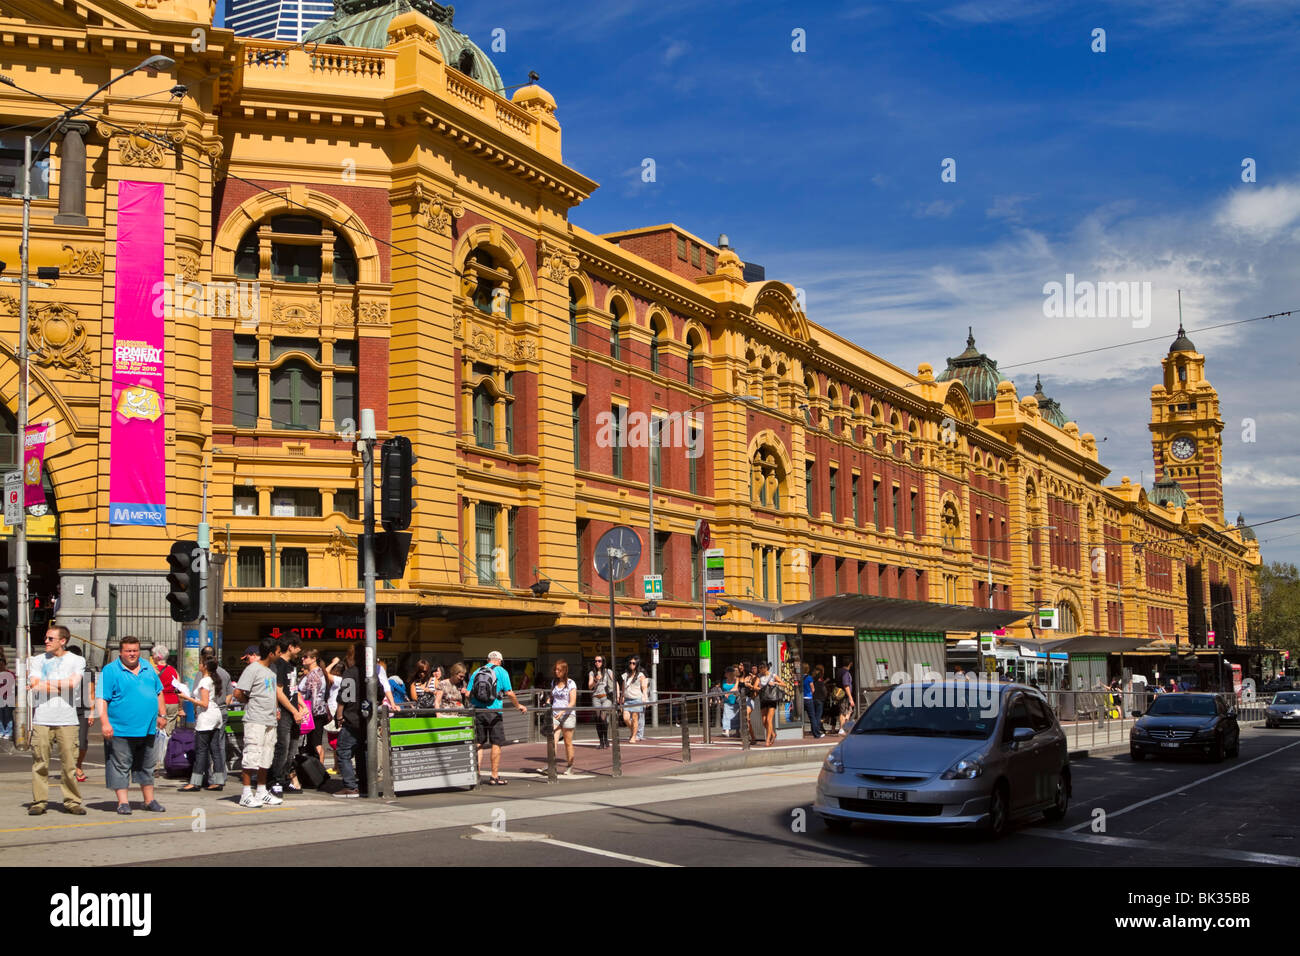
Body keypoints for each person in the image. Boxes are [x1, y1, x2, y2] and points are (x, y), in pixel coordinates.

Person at [97, 636, 167, 815]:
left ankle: (149, 800)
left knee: (147, 766)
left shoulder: (147, 667)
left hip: (148, 728)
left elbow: (158, 692)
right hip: (120, 729)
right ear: (120, 652)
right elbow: (102, 699)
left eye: (135, 650)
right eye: (128, 651)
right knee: (120, 765)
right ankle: (123, 803)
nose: (132, 654)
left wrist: (162, 714)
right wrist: (104, 722)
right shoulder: (110, 670)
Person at [28, 625, 86, 815]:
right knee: (40, 762)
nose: (46, 641)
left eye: (50, 638)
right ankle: (39, 801)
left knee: (69, 764)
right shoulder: (36, 660)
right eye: (46, 638)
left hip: (67, 719)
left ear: (63, 641)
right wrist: (61, 686)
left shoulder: (77, 660)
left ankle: (72, 801)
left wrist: (47, 685)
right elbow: (35, 685)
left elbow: (73, 684)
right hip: (42, 718)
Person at [232, 640, 283, 807]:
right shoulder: (253, 668)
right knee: (252, 754)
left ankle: (261, 791)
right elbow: (238, 692)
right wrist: (250, 702)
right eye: (278, 651)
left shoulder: (270, 672)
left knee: (266, 756)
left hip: (269, 720)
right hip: (255, 719)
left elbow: (272, 694)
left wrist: (275, 710)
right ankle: (246, 794)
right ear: (271, 653)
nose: (279, 654)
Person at [468, 650, 526, 786]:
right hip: (495, 712)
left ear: (488, 660)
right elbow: (509, 693)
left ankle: (476, 775)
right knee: (496, 743)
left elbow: (468, 693)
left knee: (479, 743)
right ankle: (494, 776)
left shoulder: (477, 672)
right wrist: (518, 706)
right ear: (499, 660)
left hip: (477, 711)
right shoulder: (501, 671)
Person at [177, 657, 225, 792]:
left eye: (200, 663)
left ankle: (195, 782)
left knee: (201, 750)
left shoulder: (204, 681)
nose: (198, 665)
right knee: (215, 750)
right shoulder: (214, 679)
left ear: (204, 666)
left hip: (206, 717)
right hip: (216, 715)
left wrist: (186, 698)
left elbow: (204, 703)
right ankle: (219, 780)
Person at [268, 637, 306, 797]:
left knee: (292, 748)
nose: (300, 652)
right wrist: (294, 710)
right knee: (282, 747)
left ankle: (283, 778)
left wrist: (302, 706)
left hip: (293, 712)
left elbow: (293, 689)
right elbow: (279, 691)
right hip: (284, 713)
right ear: (290, 647)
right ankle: (274, 781)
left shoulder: (292, 666)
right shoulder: (279, 665)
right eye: (298, 648)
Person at [334, 645, 366, 797]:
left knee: (343, 752)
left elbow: (344, 697)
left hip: (351, 717)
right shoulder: (370, 673)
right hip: (367, 720)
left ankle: (350, 786)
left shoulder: (350, 673)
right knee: (362, 752)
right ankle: (365, 784)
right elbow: (379, 693)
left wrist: (340, 715)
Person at [297, 648, 330, 768]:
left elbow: (315, 697)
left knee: (316, 743)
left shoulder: (315, 674)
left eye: (305, 657)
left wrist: (308, 715)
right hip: (314, 712)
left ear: (314, 659)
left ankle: (320, 772)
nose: (302, 659)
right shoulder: (315, 673)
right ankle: (316, 772)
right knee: (312, 743)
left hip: (313, 713)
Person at [66, 644, 93, 785]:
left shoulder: (87, 672)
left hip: (82, 711)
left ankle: (78, 765)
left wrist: (92, 711)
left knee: (82, 742)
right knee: (67, 742)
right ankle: (69, 768)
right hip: (66, 710)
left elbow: (91, 692)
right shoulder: (62, 671)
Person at [152, 646, 180, 774]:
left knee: (157, 734)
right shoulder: (174, 671)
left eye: (153, 655)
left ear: (158, 657)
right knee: (168, 733)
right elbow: (178, 688)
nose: (152, 657)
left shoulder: (153, 671)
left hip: (159, 703)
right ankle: (166, 760)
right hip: (173, 702)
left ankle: (156, 763)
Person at [550, 660, 578, 775]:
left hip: (568, 715)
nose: (556, 672)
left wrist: (562, 712)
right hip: (555, 715)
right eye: (555, 669)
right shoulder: (554, 682)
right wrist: (547, 702)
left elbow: (572, 702)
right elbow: (552, 698)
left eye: (559, 670)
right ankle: (551, 765)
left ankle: (570, 766)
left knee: (567, 742)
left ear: (564, 671)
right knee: (553, 741)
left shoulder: (571, 683)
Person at [757, 661, 791, 747]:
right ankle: (773, 734)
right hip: (763, 699)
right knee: (764, 721)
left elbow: (784, 684)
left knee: (769, 720)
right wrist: (758, 687)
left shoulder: (773, 675)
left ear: (766, 668)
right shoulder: (759, 676)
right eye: (760, 669)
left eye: (762, 669)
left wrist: (775, 683)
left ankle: (767, 740)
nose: (761, 671)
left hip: (772, 699)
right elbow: (755, 686)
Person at [588, 655, 614, 748]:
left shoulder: (608, 671)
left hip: (606, 697)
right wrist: (596, 679)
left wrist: (618, 696)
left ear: (603, 662)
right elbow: (590, 686)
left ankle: (606, 738)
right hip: (596, 698)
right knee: (598, 719)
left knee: (603, 717)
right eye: (595, 661)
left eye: (599, 661)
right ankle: (601, 742)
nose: (597, 663)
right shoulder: (592, 673)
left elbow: (615, 683)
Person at [620, 656, 649, 743]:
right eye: (630, 663)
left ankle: (633, 736)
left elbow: (644, 688)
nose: (631, 665)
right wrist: (621, 697)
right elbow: (623, 687)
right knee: (625, 718)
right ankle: (634, 731)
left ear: (637, 664)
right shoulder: (626, 675)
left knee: (635, 718)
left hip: (637, 699)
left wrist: (645, 698)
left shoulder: (641, 675)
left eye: (633, 663)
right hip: (627, 699)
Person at [808, 665, 827, 739]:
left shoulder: (812, 681)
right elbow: (824, 692)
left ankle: (814, 730)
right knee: (818, 717)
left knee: (813, 716)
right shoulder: (821, 683)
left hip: (813, 699)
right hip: (820, 700)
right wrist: (825, 697)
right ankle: (817, 731)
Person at [719, 667, 739, 737]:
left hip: (735, 700)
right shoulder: (724, 681)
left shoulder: (736, 680)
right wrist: (721, 700)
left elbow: (736, 688)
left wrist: (729, 693)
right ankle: (726, 730)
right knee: (726, 716)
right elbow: (722, 690)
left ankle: (737, 731)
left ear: (730, 673)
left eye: (726, 672)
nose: (725, 674)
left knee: (736, 716)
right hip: (726, 701)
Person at [0, 650, 14, 746]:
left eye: (1, 664)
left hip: (8, 698)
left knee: (8, 716)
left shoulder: (10, 674)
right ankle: (2, 731)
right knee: (0, 716)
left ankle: (8, 732)